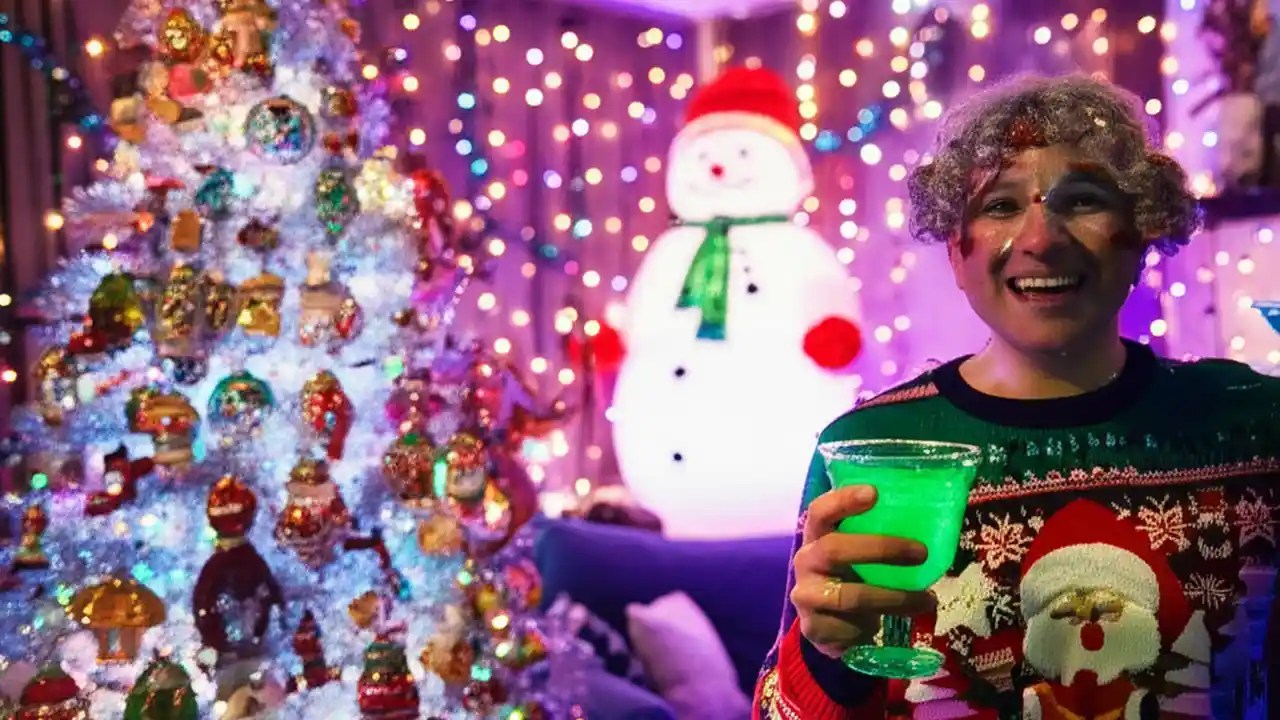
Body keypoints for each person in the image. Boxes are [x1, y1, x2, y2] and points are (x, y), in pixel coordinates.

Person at [754, 73, 1280, 720]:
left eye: (1082, 200)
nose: (1041, 239)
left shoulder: (1253, 422)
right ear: (956, 249)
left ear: (1143, 229)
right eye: (1001, 206)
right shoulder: (870, 448)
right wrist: (828, 662)